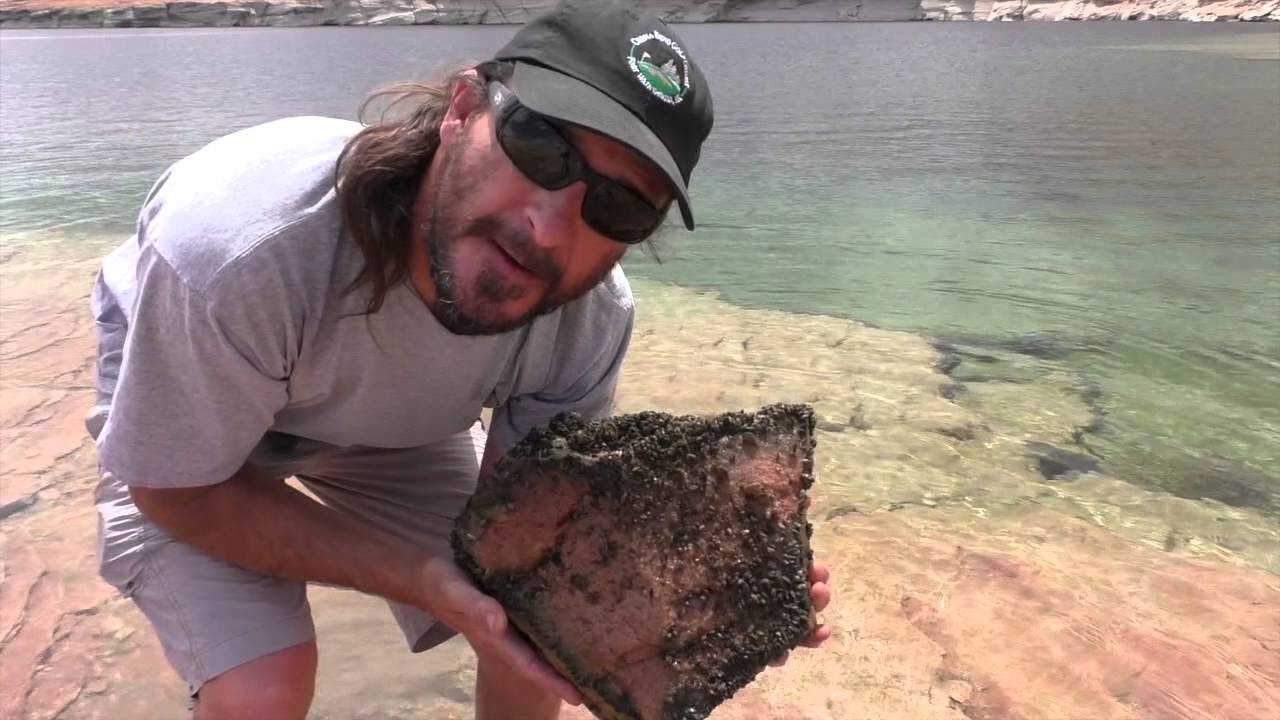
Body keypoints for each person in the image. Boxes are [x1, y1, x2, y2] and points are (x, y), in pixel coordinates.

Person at [85, 1, 831, 717]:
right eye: (543, 148)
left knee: (534, 618)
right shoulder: (243, 253)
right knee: (263, 686)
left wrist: (707, 602)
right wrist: (420, 578)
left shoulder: (589, 321)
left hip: (383, 426)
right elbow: (176, 492)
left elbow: (538, 540)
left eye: (619, 206)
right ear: (464, 109)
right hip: (198, 420)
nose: (546, 225)